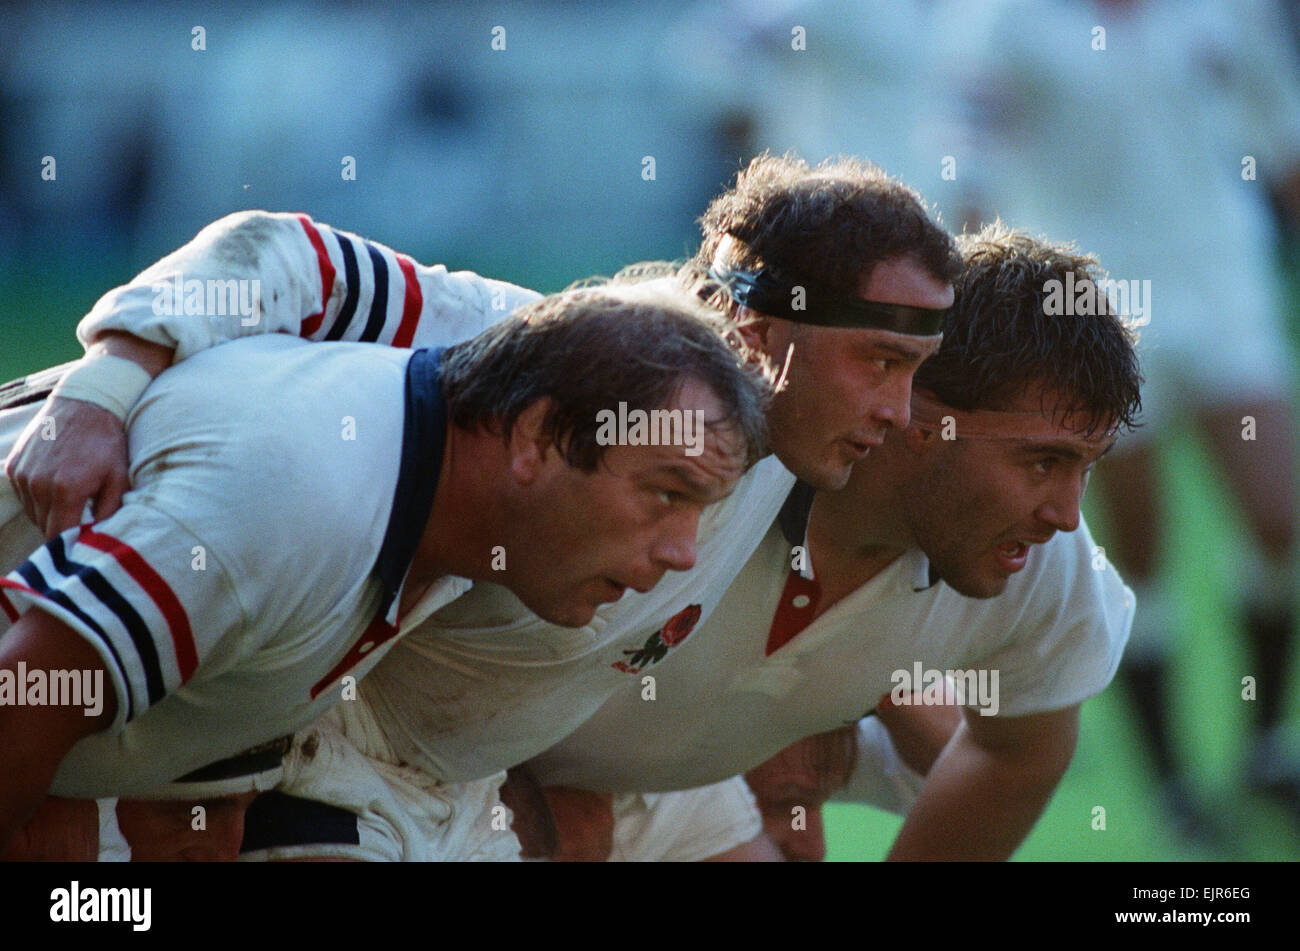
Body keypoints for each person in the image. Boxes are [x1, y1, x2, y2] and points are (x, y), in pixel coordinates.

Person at [7, 153, 962, 859]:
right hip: (329, 753)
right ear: (760, 336)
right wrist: (105, 385)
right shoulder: (514, 366)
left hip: (284, 731)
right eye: (882, 363)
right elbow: (286, 255)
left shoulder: (781, 452)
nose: (899, 408)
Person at [0, 279, 768, 852]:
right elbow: (22, 698)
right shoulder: (303, 497)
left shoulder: (439, 502)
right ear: (535, 438)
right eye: (667, 492)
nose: (685, 552)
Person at [523, 223, 1141, 861]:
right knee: (565, 832)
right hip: (449, 756)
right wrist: (513, 789)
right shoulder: (691, 445)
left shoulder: (1036, 557)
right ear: (917, 410)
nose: (1068, 516)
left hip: (647, 790)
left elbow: (1011, 753)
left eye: (1086, 466)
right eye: (1043, 461)